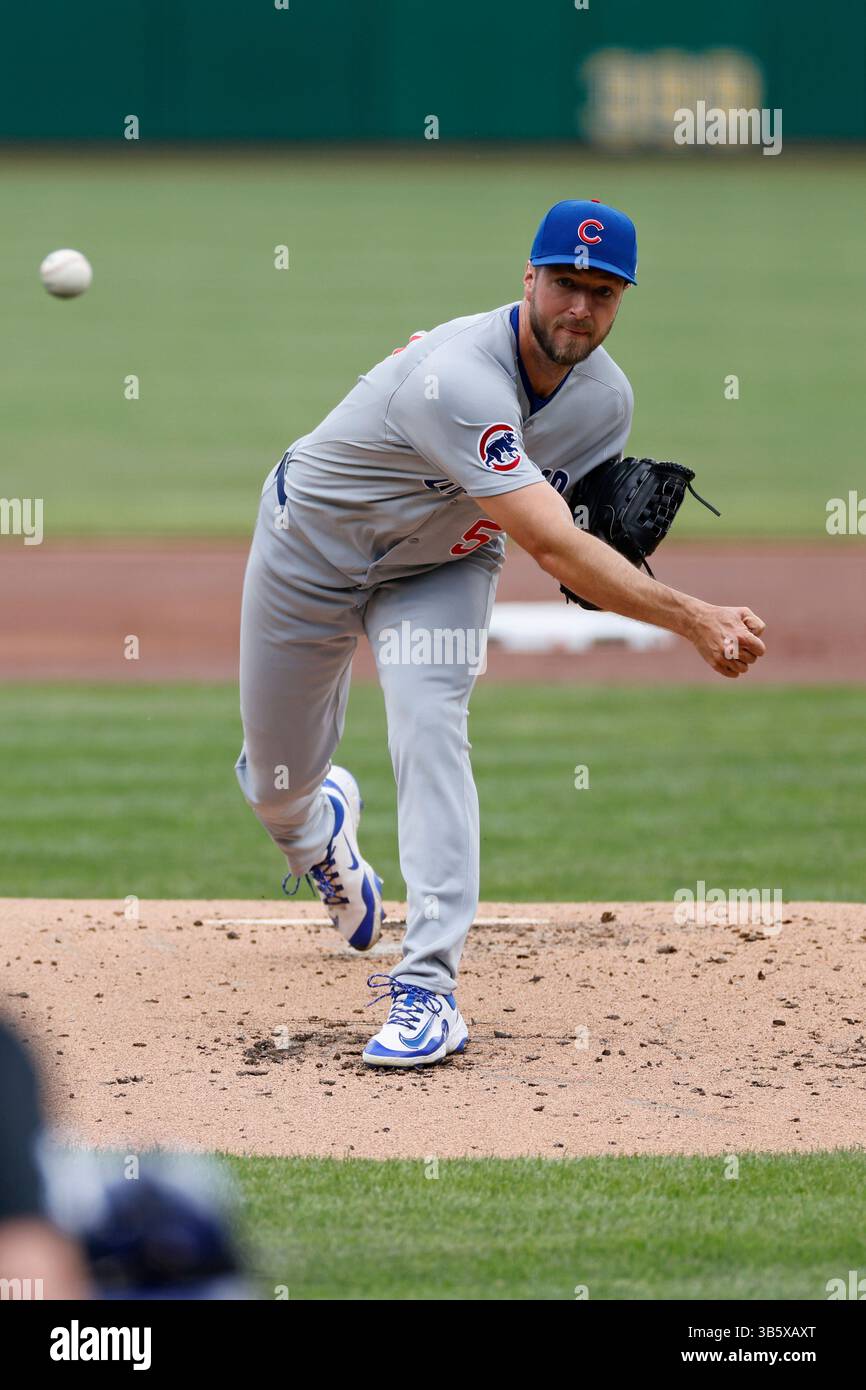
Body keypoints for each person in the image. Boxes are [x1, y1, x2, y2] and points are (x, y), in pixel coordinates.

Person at [235, 199, 766, 1068]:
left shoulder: (606, 402)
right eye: (564, 284)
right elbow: (553, 539)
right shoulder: (458, 378)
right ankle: (319, 831)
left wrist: (607, 560)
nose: (579, 309)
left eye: (602, 291)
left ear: (623, 298)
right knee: (276, 780)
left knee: (431, 725)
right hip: (313, 551)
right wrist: (692, 617)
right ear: (528, 279)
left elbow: (578, 540)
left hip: (441, 569)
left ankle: (428, 989)